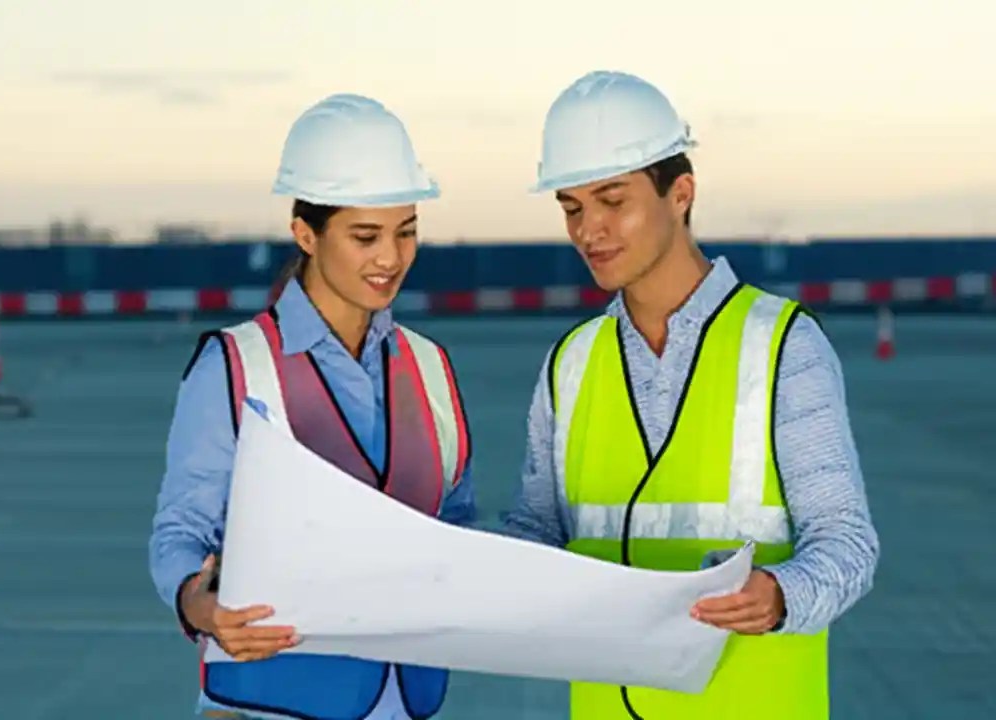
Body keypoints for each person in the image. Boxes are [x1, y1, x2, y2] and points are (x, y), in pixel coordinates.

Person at [500, 70, 880, 719]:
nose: (589, 229)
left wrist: (781, 595)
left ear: (681, 193)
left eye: (611, 199)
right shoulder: (571, 361)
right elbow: (537, 533)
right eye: (571, 207)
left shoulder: (783, 346)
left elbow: (847, 544)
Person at [149, 93, 476, 720]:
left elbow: (455, 524)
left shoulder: (432, 368)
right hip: (269, 703)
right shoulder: (235, 366)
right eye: (365, 236)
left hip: (404, 700)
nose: (391, 257)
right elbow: (180, 531)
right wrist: (199, 605)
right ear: (305, 233)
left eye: (406, 232)